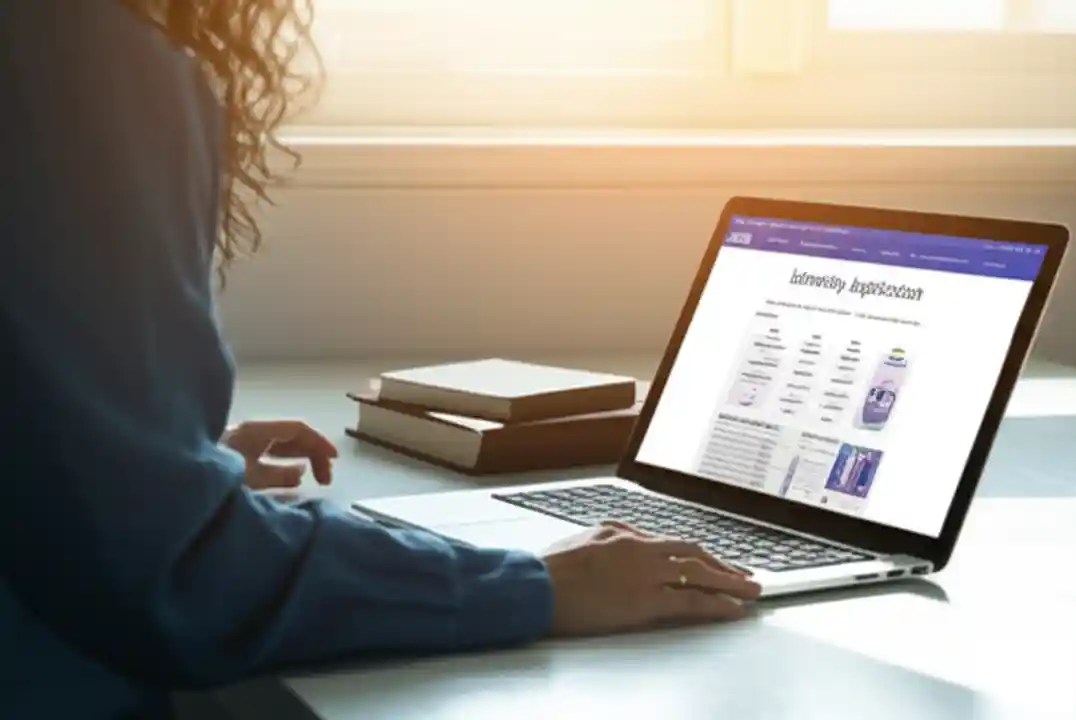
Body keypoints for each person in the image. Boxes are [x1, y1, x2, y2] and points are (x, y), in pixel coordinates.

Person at [0, 2, 761, 717]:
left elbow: (94, 511)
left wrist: (140, 460)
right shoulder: (72, 58)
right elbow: (177, 574)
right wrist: (535, 585)